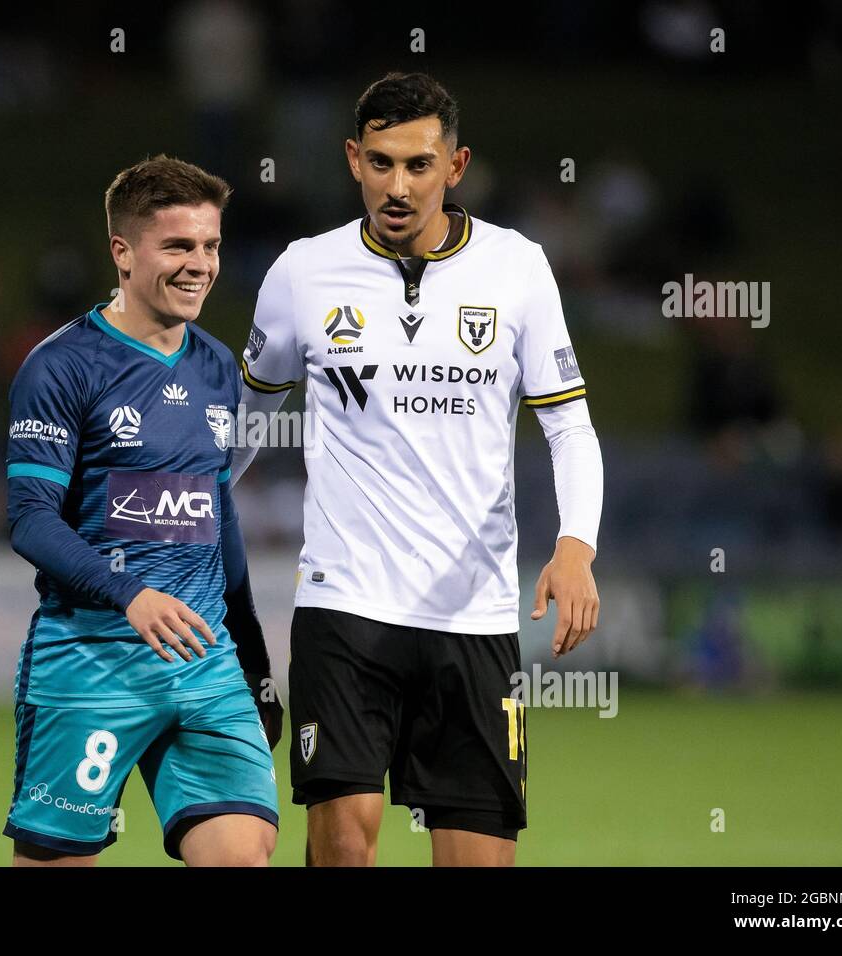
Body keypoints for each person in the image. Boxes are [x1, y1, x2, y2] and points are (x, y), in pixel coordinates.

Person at [233, 73, 604, 866]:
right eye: (380, 162)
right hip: (345, 603)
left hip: (473, 613)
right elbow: (245, 425)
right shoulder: (302, 273)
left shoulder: (517, 268)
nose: (397, 186)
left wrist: (576, 545)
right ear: (353, 160)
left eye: (419, 165)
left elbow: (567, 422)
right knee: (342, 846)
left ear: (457, 165)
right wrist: (181, 517)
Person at [3, 156, 279, 867]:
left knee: (243, 855)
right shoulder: (61, 366)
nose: (200, 265)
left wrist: (254, 661)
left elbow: (218, 518)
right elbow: (30, 518)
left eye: (211, 246)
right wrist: (131, 595)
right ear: (123, 252)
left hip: (204, 661)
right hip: (92, 661)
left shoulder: (219, 367)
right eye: (179, 247)